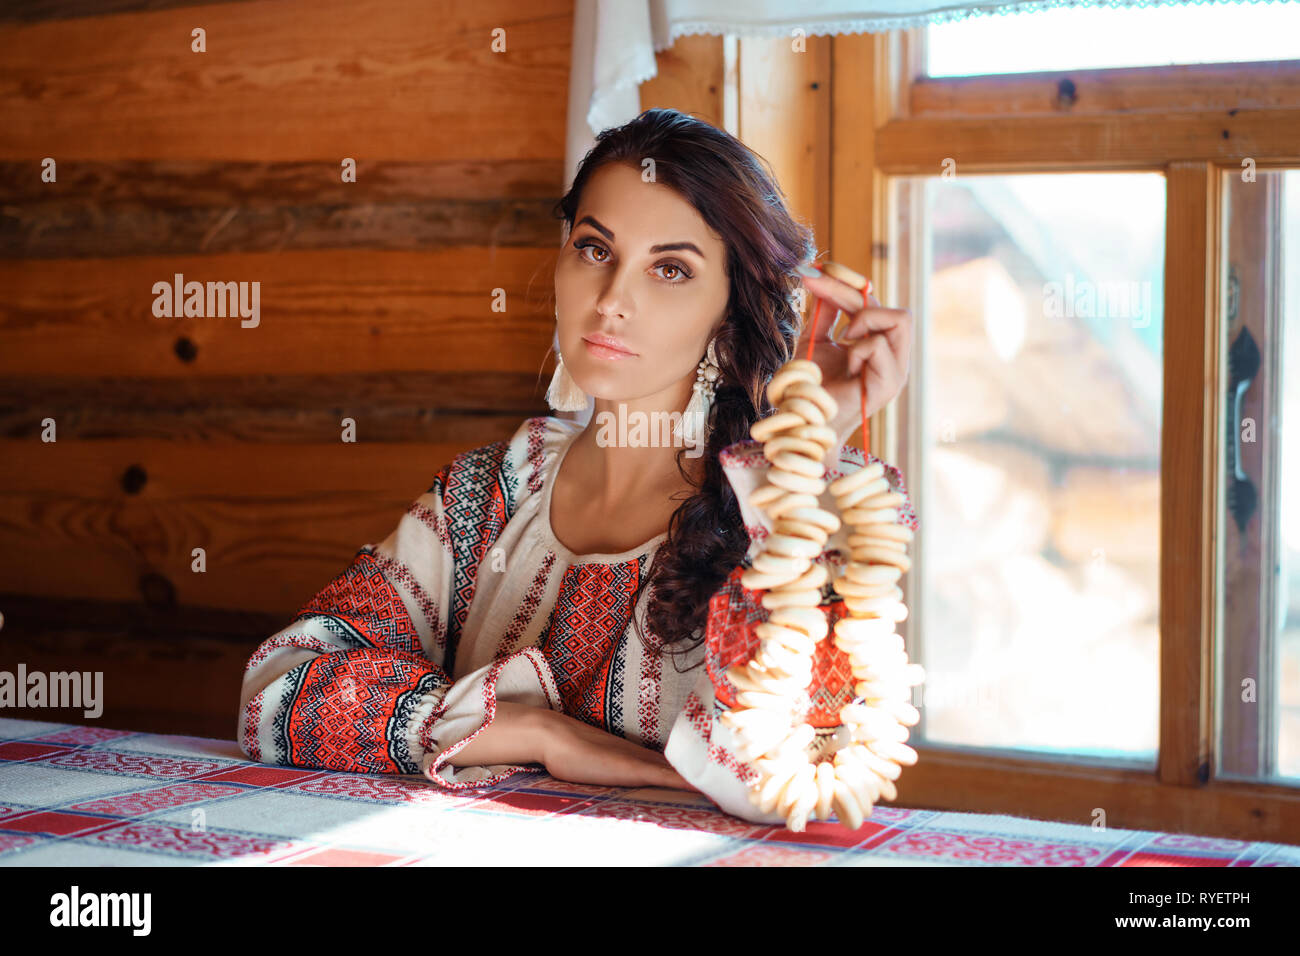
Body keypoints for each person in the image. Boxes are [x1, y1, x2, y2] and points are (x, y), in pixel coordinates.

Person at [236, 108, 916, 824]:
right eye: (595, 250)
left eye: (671, 268)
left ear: (730, 310)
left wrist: (811, 446)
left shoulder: (812, 505)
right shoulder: (489, 494)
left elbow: (790, 776)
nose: (613, 300)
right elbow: (276, 692)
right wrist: (541, 734)